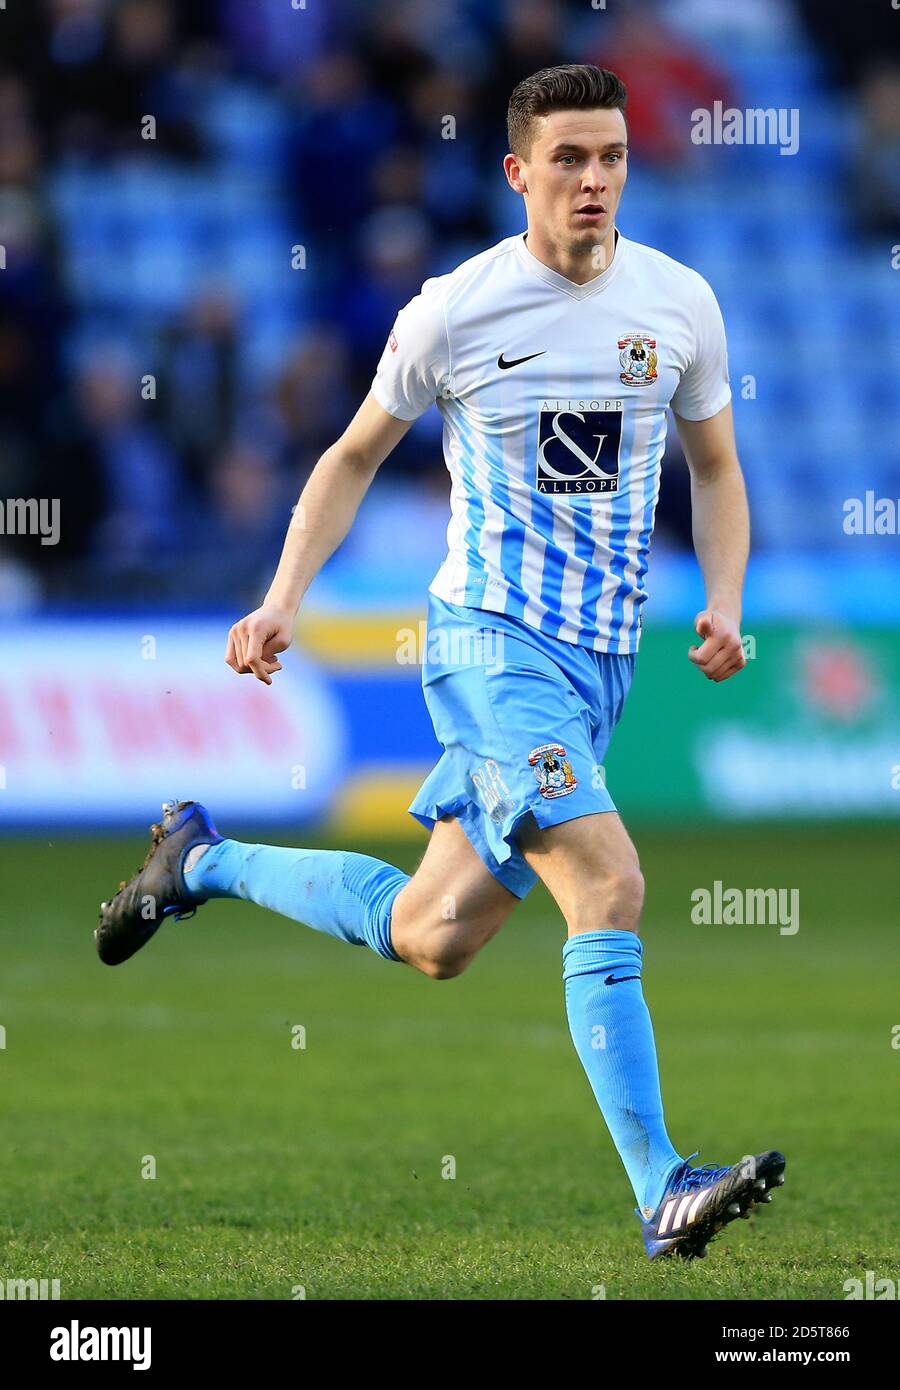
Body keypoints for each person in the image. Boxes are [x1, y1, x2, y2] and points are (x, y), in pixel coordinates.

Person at [96, 64, 785, 1259]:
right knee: (607, 882)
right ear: (518, 171)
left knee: (432, 935)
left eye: (611, 156)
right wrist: (282, 597)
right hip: (487, 647)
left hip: (600, 667)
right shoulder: (455, 311)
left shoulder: (680, 303)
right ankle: (662, 1185)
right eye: (568, 158)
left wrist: (723, 597)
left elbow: (718, 470)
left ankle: (197, 860)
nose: (594, 178)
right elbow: (353, 454)